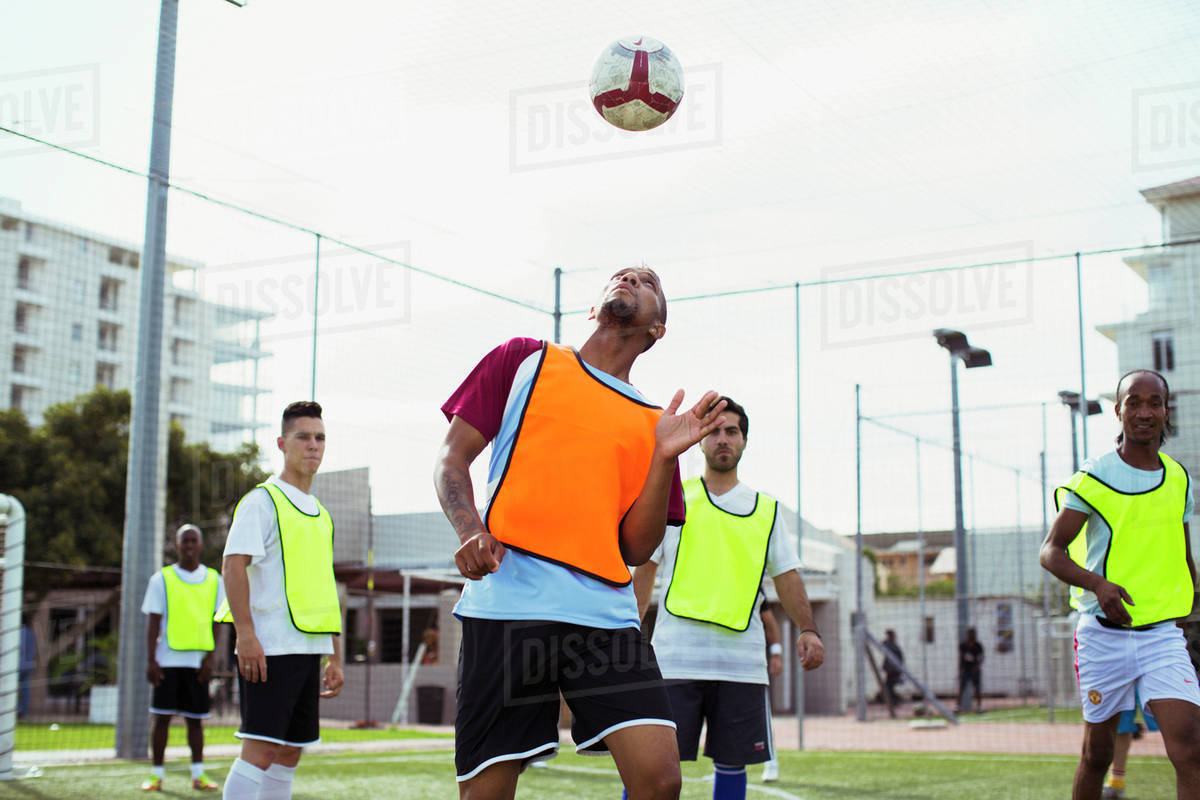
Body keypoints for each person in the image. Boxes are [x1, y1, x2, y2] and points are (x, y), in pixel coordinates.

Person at [434, 266, 725, 800]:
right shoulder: (523, 359)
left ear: (658, 328)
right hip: (507, 606)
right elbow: (452, 459)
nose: (631, 279)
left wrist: (663, 459)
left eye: (648, 283)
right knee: (486, 794)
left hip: (602, 616)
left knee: (661, 780)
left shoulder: (655, 422)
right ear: (593, 308)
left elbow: (637, 548)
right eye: (623, 275)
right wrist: (469, 529)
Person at [632, 397, 824, 800]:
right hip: (674, 660)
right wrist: (629, 635)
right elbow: (645, 566)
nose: (723, 439)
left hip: (742, 666)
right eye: (715, 430)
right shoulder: (675, 499)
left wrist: (808, 629)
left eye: (732, 431)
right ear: (701, 440)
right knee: (650, 770)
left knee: (733, 768)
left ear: (744, 441)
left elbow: (786, 576)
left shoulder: (767, 511)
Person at [1040, 369, 1200, 800]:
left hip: (1162, 637)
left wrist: (1188, 607)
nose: (1144, 411)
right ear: (1118, 411)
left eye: (1154, 403)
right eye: (1134, 402)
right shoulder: (1095, 478)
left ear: (1166, 411)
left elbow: (1182, 557)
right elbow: (1051, 551)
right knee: (1097, 754)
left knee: (1190, 750)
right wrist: (1099, 586)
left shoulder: (1179, 478)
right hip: (1102, 638)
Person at [220, 401, 345, 800]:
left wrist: (335, 654)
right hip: (269, 647)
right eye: (303, 437)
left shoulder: (321, 514)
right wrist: (246, 635)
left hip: (309, 649)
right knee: (261, 749)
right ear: (281, 443)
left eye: (320, 437)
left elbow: (323, 587)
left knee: (290, 752)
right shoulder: (261, 501)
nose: (314, 445)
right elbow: (232, 566)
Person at [139, 524, 226, 792]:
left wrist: (210, 659)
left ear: (200, 545)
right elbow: (153, 622)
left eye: (193, 541)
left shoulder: (214, 580)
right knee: (162, 719)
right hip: (167, 661)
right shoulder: (161, 579)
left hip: (197, 664)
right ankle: (156, 774)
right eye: (184, 541)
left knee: (195, 721)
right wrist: (152, 660)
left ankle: (198, 774)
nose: (189, 545)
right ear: (176, 545)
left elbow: (218, 622)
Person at [1101, 687, 1158, 799]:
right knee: (1121, 725)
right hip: (1119, 673)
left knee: (1173, 717)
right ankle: (1116, 784)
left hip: (1158, 671)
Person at [758, 604, 782, 783]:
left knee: (762, 715)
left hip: (749, 665)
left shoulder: (753, 584)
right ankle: (719, 765)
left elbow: (770, 621)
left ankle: (771, 763)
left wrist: (776, 654)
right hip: (716, 664)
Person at [956, 627, 983, 713]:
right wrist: (960, 670)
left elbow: (981, 658)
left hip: (974, 669)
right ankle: (958, 707)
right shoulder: (963, 645)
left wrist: (977, 667)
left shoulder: (978, 645)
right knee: (961, 688)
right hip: (966, 669)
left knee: (977, 688)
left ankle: (979, 707)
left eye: (973, 633)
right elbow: (961, 658)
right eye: (970, 633)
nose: (971, 635)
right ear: (967, 634)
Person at [881, 629, 904, 719]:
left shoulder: (891, 645)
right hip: (893, 669)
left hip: (893, 670)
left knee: (889, 686)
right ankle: (894, 701)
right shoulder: (891, 645)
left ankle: (895, 701)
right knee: (889, 686)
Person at [18, 616, 35, 720]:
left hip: (18, 666)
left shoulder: (19, 632)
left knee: (12, 689)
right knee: (25, 689)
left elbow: (20, 648)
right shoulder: (30, 633)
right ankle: (23, 712)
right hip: (28, 665)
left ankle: (14, 711)